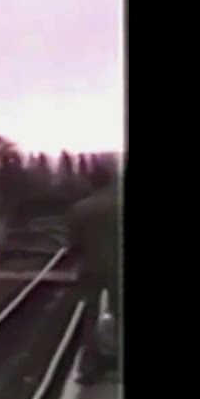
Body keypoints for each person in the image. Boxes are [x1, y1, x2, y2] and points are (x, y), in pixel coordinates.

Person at [66, 164, 120, 385]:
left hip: (91, 269)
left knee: (89, 317)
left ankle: (89, 369)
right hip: (119, 268)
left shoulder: (80, 208)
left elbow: (73, 245)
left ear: (91, 182)